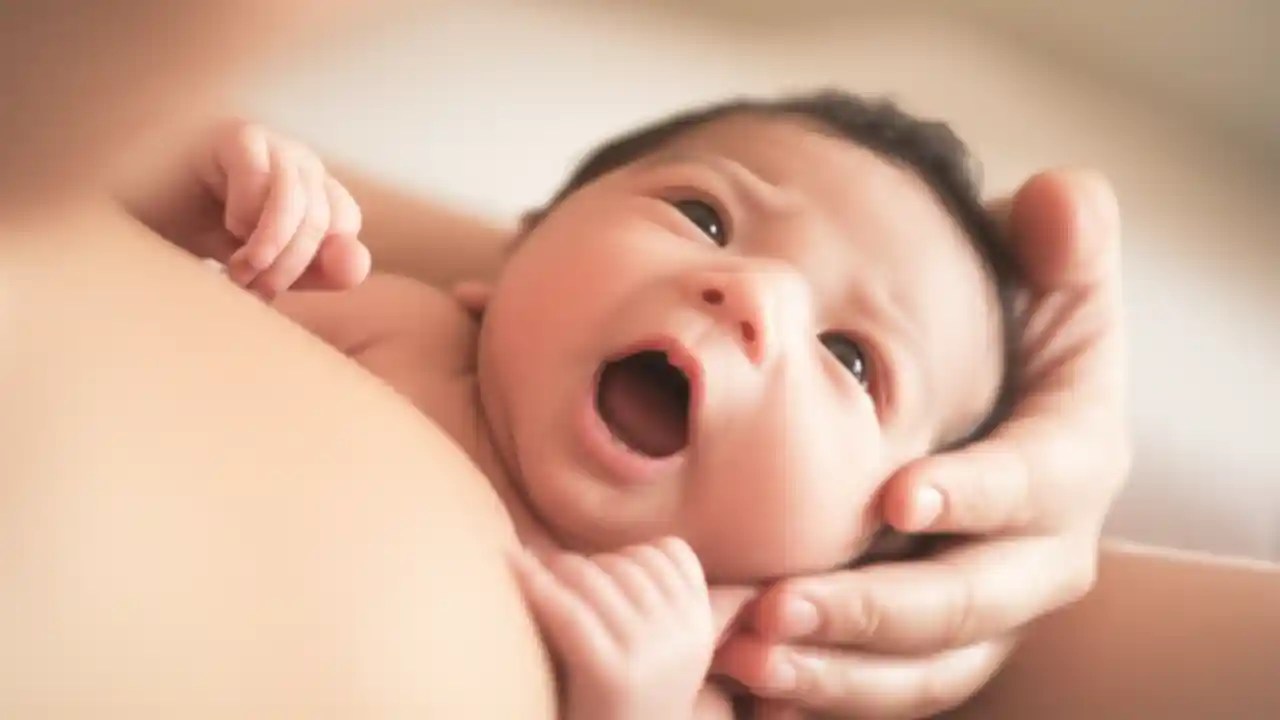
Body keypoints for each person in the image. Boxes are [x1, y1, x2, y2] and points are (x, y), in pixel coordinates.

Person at [2, 3, 1130, 718]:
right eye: (702, 216)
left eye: (849, 358)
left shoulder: (702, 653)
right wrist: (221, 183)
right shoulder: (383, 314)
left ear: (865, 554)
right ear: (512, 254)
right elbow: (63, 179)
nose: (753, 296)